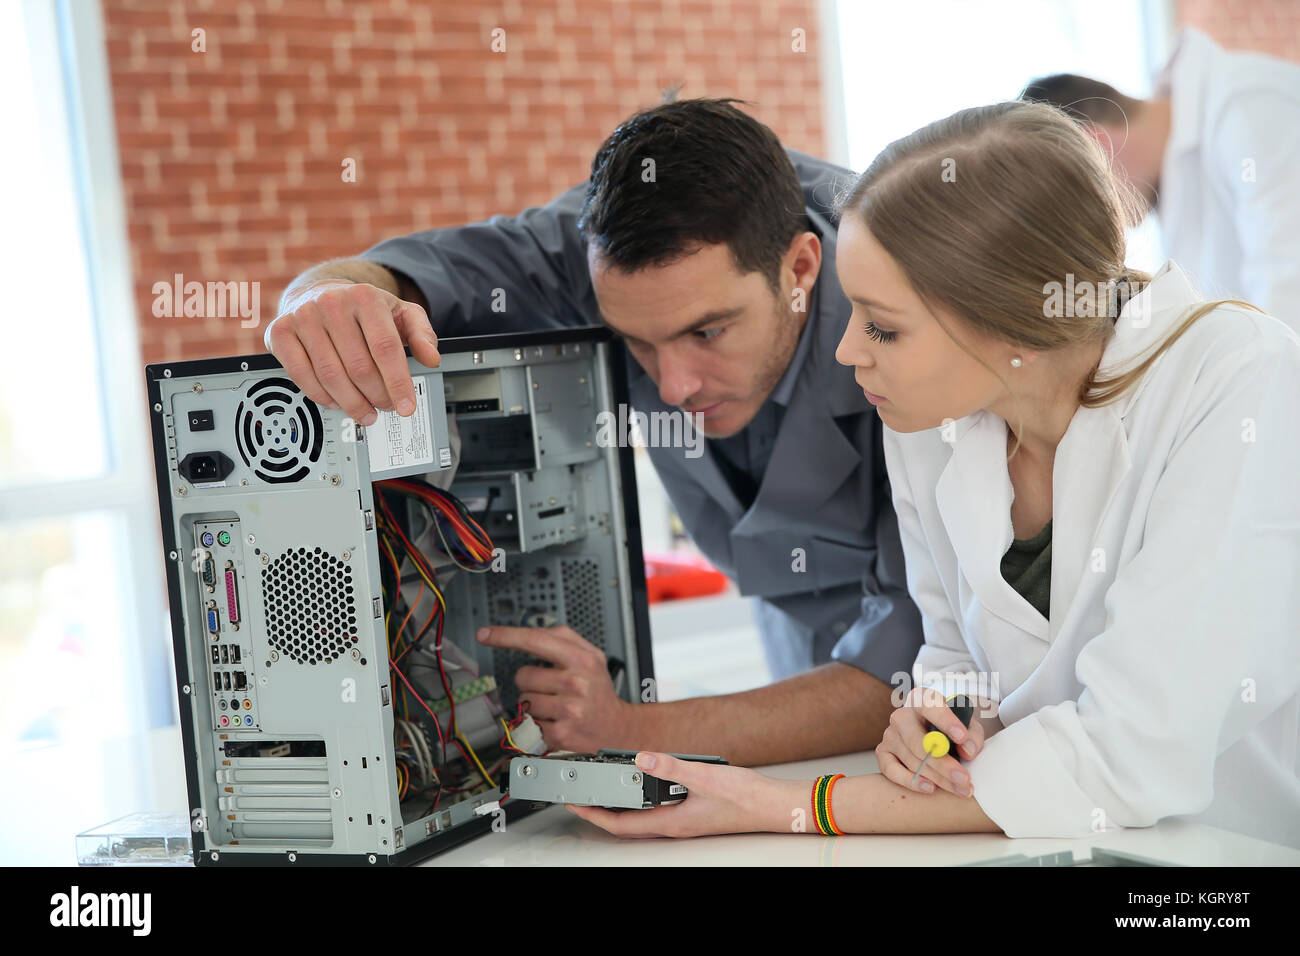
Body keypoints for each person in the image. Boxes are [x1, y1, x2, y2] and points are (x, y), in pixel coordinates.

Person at [568, 100, 1300, 848]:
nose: (848, 350)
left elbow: (1131, 752)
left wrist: (775, 803)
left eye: (883, 325)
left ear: (1015, 318)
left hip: (1235, 848)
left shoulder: (1238, 381)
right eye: (852, 312)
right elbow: (957, 659)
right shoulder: (932, 419)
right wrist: (941, 719)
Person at [265, 98, 925, 767]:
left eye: (707, 332)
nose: (674, 389)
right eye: (637, 341)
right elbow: (419, 276)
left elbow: (913, 662)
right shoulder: (601, 246)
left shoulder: (911, 317)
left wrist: (633, 729)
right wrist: (324, 296)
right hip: (795, 640)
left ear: (801, 271)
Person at [1021, 27, 1300, 332]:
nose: (1106, 223)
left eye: (1076, 206)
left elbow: (1289, 275)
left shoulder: (1244, 106)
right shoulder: (1173, 192)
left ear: (1094, 149)